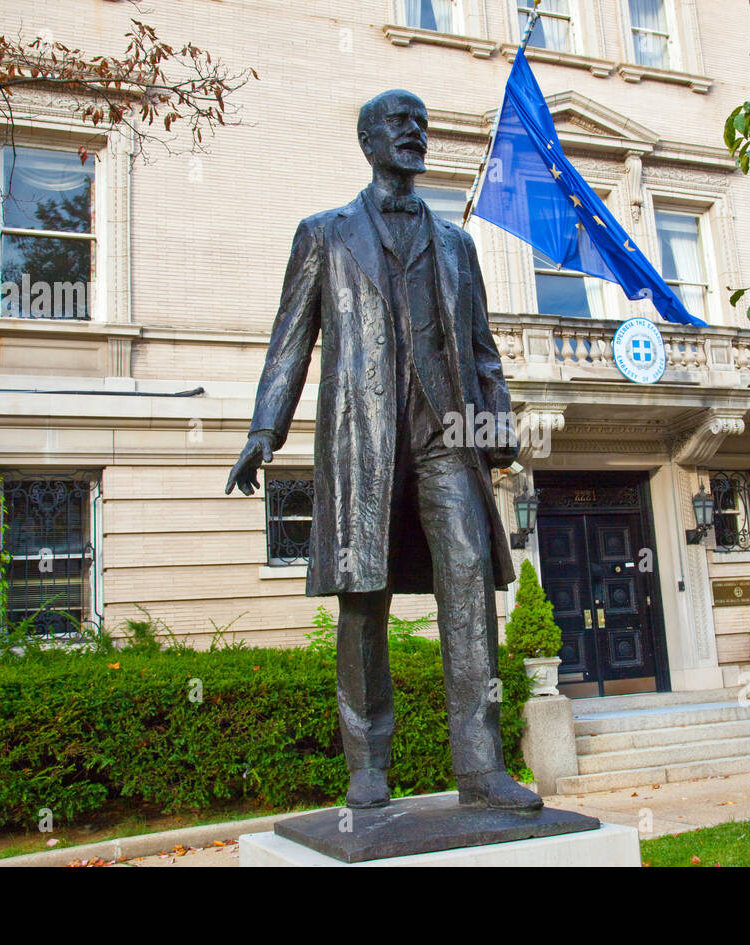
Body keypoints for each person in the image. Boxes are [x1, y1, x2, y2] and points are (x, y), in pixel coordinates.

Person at [225, 89, 541, 811]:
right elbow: (290, 342)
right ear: (368, 141)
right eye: (401, 125)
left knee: (469, 583)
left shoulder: (457, 244)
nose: (417, 134)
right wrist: (263, 430)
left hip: (444, 437)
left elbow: (484, 354)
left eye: (423, 125)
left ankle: (482, 766)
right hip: (361, 442)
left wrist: (496, 428)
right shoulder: (324, 233)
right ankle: (367, 763)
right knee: (363, 598)